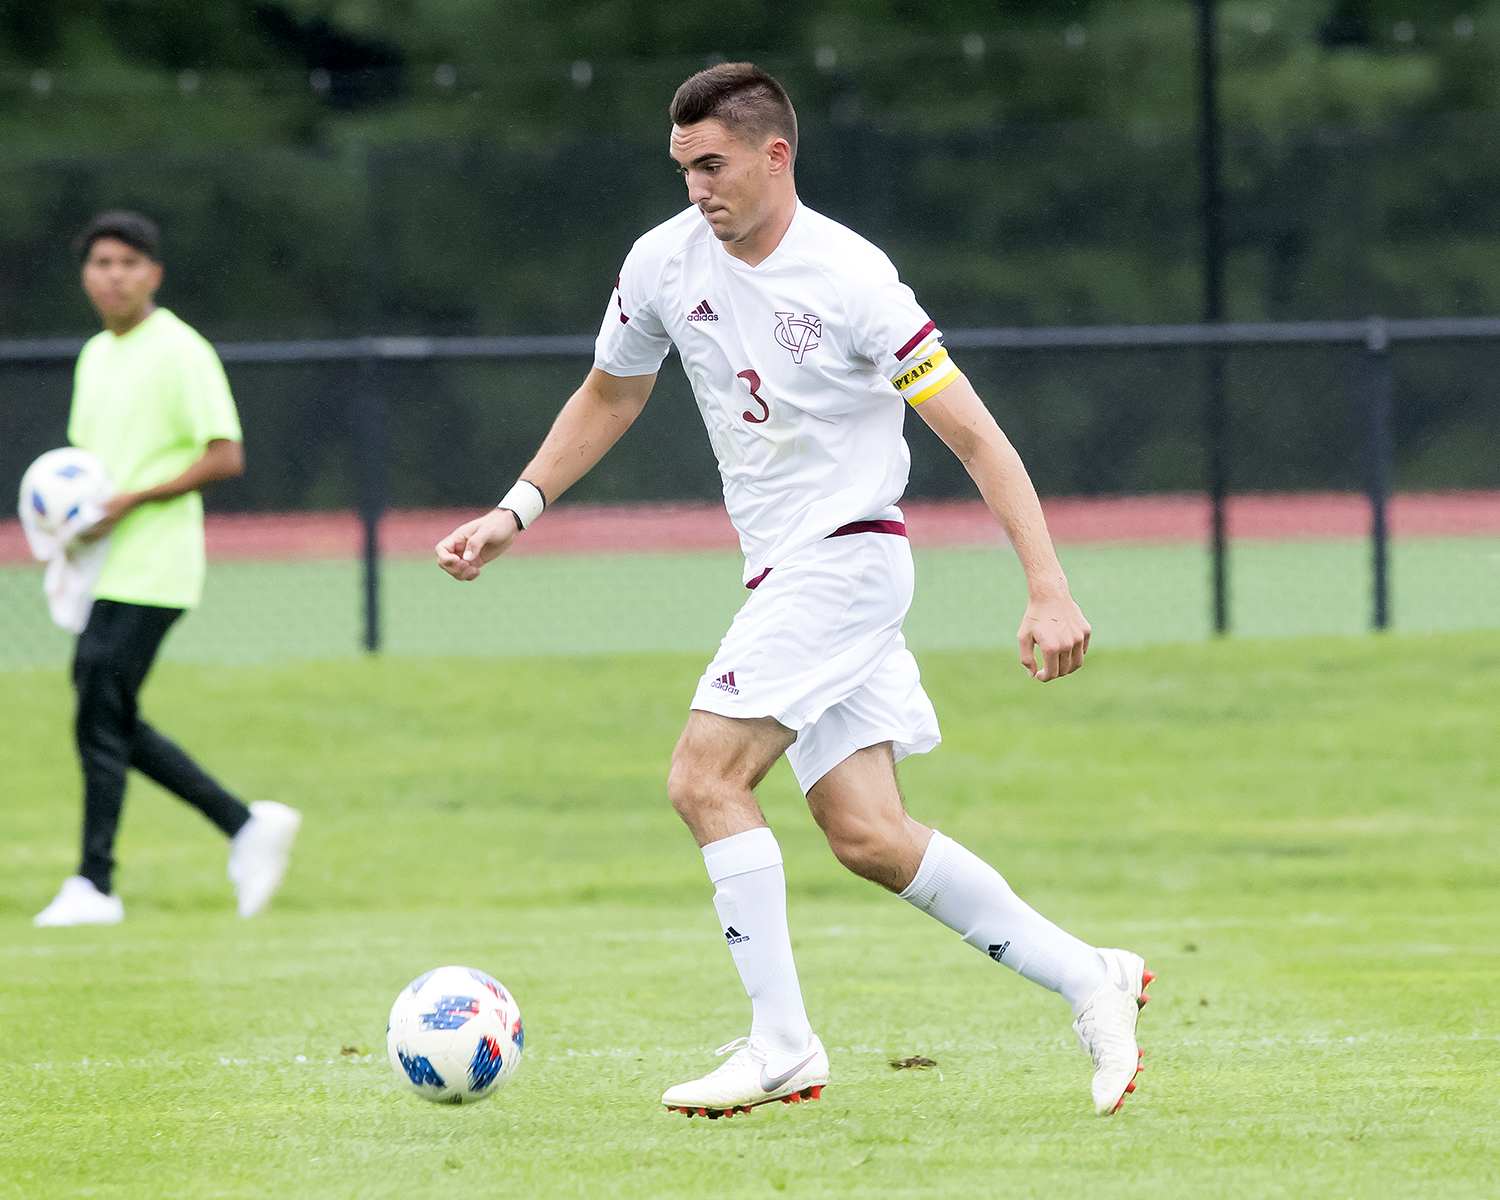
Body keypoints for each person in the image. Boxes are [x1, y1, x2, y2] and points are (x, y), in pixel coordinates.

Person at [437, 65, 1151, 1118]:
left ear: (777, 155)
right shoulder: (662, 264)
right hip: (788, 571)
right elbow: (610, 393)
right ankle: (1092, 976)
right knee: (867, 833)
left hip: (847, 561)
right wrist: (517, 509)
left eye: (713, 165)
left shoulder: (853, 279)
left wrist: (1048, 587)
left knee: (702, 779)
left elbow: (976, 437)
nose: (697, 190)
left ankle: (781, 1045)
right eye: (683, 170)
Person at [33, 211, 301, 928]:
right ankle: (243, 825)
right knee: (106, 712)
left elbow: (224, 454)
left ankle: (95, 883)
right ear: (86, 276)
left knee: (97, 709)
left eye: (127, 262)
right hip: (104, 564)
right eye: (99, 263)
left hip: (156, 566)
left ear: (153, 272)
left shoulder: (180, 350)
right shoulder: (95, 356)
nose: (112, 274)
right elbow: (88, 474)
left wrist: (132, 500)